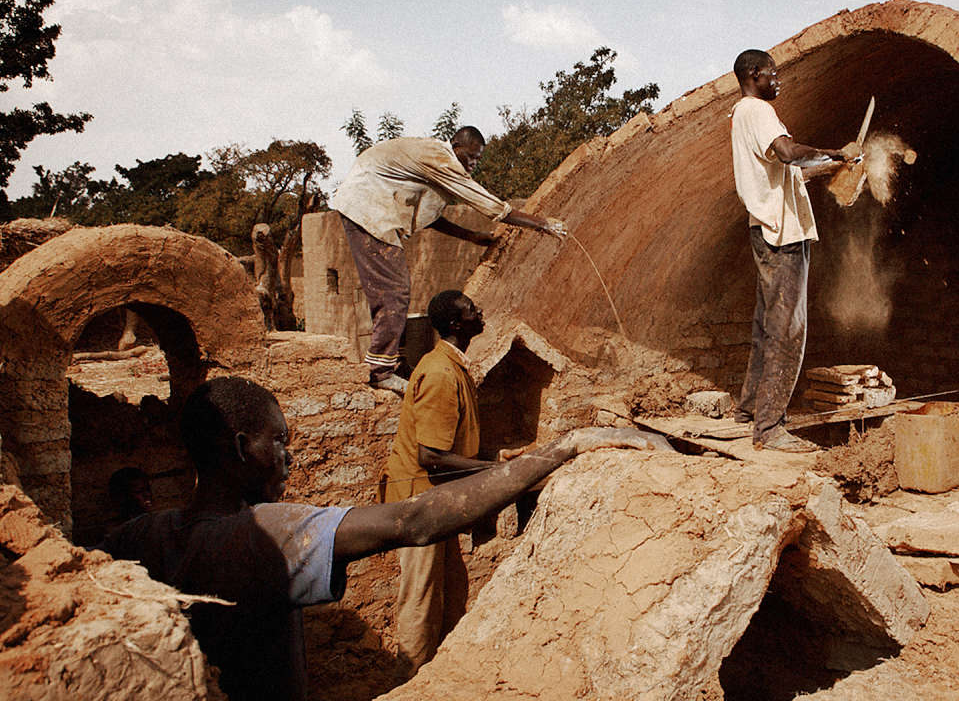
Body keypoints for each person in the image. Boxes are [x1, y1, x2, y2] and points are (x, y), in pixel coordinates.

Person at [100, 376, 668, 701]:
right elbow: (415, 520)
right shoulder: (265, 534)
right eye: (279, 441)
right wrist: (566, 447)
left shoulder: (139, 536)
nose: (289, 455)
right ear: (241, 447)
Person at [329, 127, 567, 395]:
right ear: (456, 146)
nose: (473, 163)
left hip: (366, 205)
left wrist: (470, 236)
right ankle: (380, 371)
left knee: (391, 291)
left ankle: (388, 363)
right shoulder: (441, 159)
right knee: (394, 290)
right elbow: (492, 207)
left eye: (478, 158)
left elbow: (429, 218)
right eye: (470, 156)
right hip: (367, 208)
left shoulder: (433, 166)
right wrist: (543, 224)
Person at [729, 49, 852, 453]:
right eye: (772, 73)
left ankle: (749, 410)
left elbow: (786, 169)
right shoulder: (758, 110)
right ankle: (769, 428)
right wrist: (835, 152)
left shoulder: (743, 115)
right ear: (754, 74)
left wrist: (832, 166)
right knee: (787, 329)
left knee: (767, 325)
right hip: (782, 235)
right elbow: (787, 152)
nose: (778, 80)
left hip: (766, 229)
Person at [379, 289, 503, 669]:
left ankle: (438, 675)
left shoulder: (453, 366)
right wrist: (493, 471)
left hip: (436, 499)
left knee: (449, 593)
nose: (479, 312)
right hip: (419, 501)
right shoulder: (440, 373)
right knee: (421, 600)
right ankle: (409, 680)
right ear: (454, 324)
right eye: (471, 310)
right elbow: (431, 457)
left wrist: (495, 459)